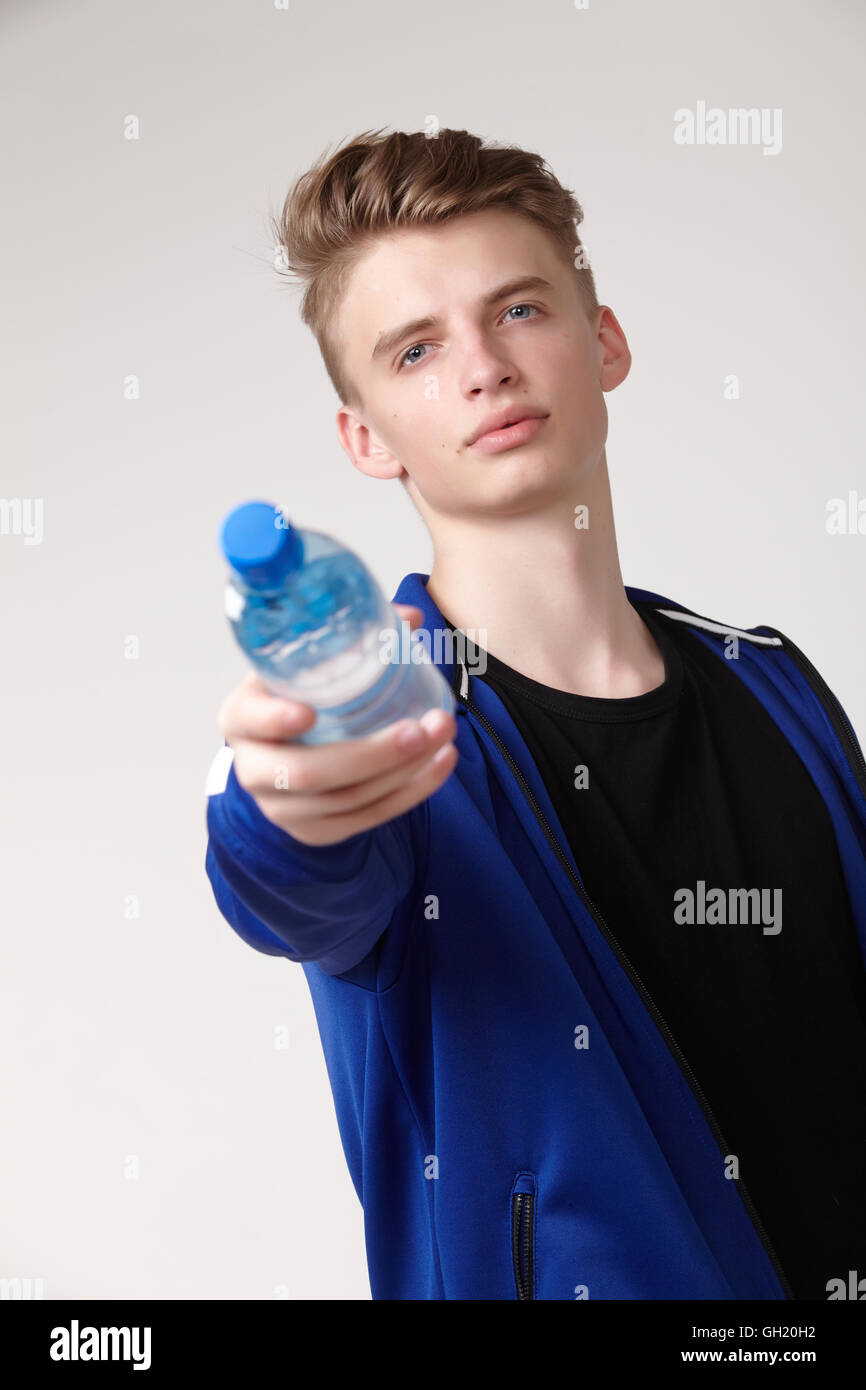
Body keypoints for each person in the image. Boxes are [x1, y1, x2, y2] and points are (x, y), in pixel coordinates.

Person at [204, 127, 866, 1301]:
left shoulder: (773, 683)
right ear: (365, 438)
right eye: (413, 350)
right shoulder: (392, 743)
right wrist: (278, 807)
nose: (480, 367)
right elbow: (296, 874)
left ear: (601, 340)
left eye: (516, 311)